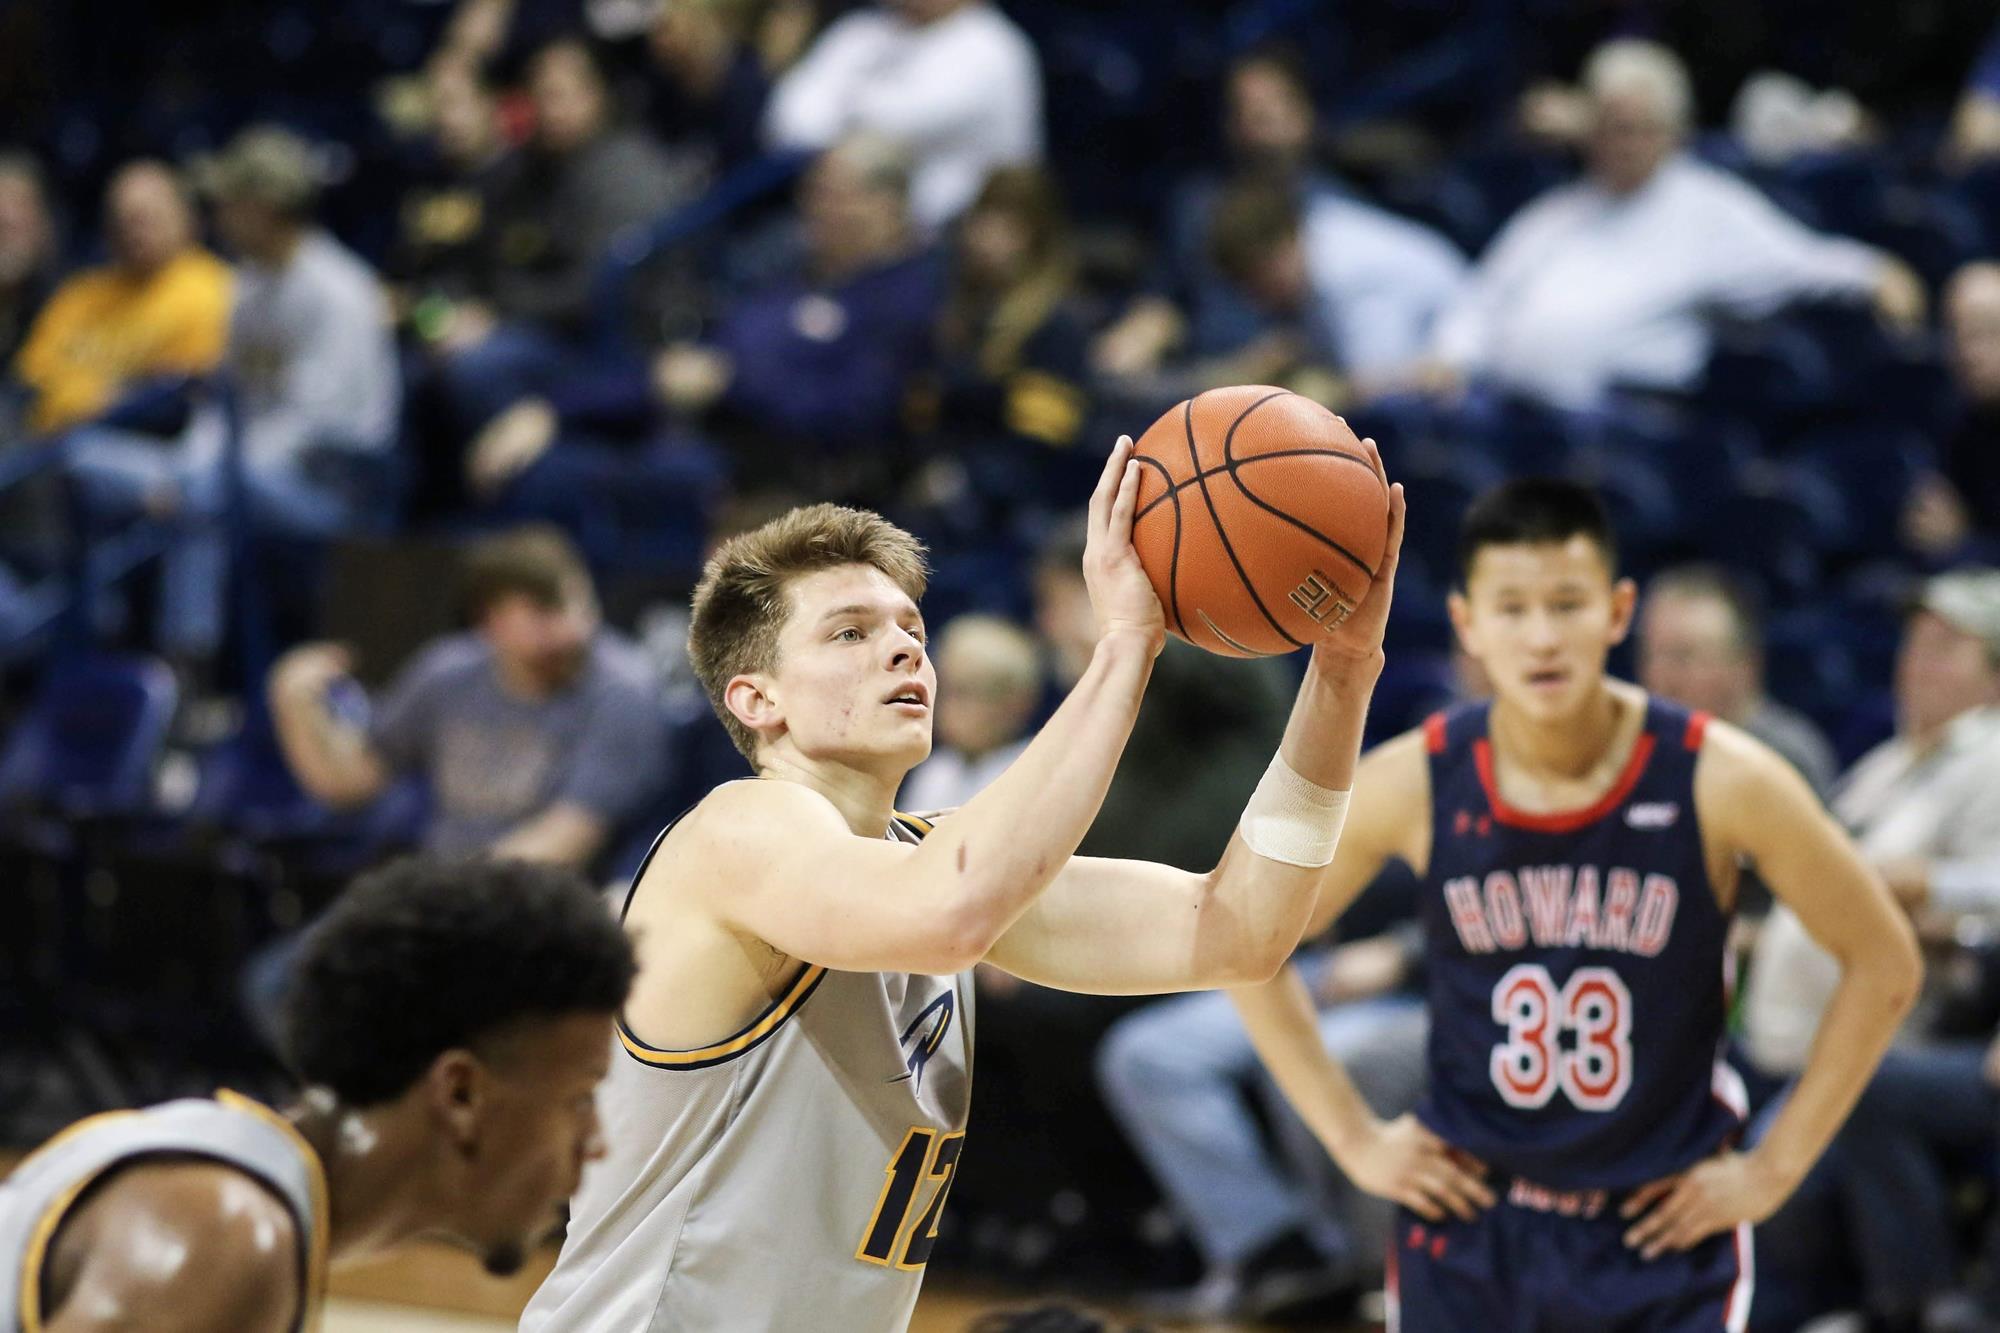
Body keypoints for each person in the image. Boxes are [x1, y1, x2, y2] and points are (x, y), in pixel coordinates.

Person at [520, 437, 1406, 1330]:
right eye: (850, 633)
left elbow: (1241, 931)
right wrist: (1127, 645)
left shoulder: (930, 857)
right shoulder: (738, 829)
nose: (903, 650)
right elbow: (953, 909)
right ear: (757, 699)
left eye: (911, 628)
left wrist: (1341, 676)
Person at [1229, 479, 1920, 1328]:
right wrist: (1355, 1139)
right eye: (1512, 607)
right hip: (1469, 1230)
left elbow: (1885, 960)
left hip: (1656, 1234)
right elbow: (1247, 943)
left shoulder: (1723, 776)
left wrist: (1773, 1169)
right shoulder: (1417, 779)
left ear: (1618, 610)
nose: (1544, 635)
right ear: (1468, 625)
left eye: (1567, 602)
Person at [0, 855, 636, 1332]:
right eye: (579, 1099)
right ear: (461, 1093)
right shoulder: (221, 1231)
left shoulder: (238, 1189)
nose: (597, 1143)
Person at [1426, 39, 1924, 410]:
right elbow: (1482, 299)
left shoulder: (1709, 208)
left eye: (1639, 129)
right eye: (1611, 127)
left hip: (1627, 425)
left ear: (1673, 133)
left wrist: (1878, 274)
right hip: (1510, 412)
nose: (1622, 143)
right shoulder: (1556, 212)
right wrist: (1450, 356)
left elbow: (1801, 262)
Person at [63, 126, 398, 674]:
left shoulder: (340, 292)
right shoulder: (249, 287)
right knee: (85, 462)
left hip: (336, 488)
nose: (216, 214)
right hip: (240, 470)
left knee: (204, 496)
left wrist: (199, 477)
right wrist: (193, 467)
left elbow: (318, 429)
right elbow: (223, 408)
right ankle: (97, 654)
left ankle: (184, 673)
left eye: (229, 203)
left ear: (265, 208)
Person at [268, 526, 668, 871]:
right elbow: (351, 784)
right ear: (490, 621)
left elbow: (566, 842)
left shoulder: (621, 688)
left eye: (578, 605)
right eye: (544, 614)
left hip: (551, 907)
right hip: (452, 894)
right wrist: (293, 704)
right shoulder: (446, 673)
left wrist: (440, 895)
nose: (571, 630)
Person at [763, 0, 1042, 230]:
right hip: (842, 224)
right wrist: (856, 113)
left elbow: (900, 123)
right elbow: (788, 121)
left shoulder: (995, 47)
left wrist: (842, 101)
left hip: (956, 234)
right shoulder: (859, 31)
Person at [15, 160, 230, 435]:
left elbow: (173, 391)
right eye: (122, 219)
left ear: (187, 218)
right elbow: (33, 378)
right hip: (51, 442)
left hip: (149, 446)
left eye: (148, 218)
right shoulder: (81, 293)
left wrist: (82, 397)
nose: (134, 231)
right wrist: (92, 397)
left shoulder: (212, 287)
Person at [1637, 564, 1837, 795]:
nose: (1658, 676)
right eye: (1649, 655)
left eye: (1682, 657)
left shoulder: (1782, 759)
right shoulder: (1640, 751)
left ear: (1743, 665)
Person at [899, 613, 1041, 811]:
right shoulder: (936, 771)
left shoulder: (1034, 770)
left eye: (964, 692)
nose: (947, 707)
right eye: (945, 690)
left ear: (1013, 705)